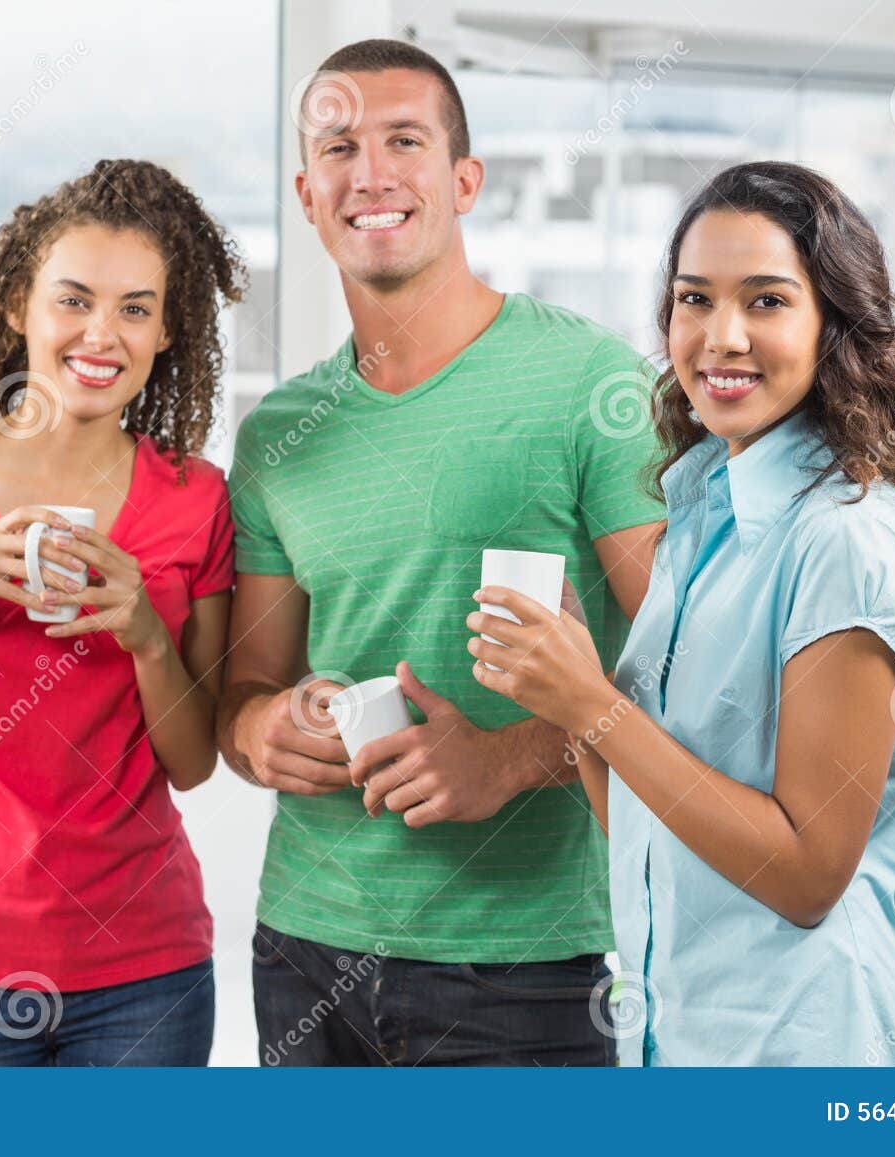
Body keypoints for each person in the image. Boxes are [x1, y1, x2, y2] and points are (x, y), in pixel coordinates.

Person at [218, 38, 665, 1066]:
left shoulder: (591, 385)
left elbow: (690, 679)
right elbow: (242, 687)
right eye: (339, 148)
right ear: (306, 192)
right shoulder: (280, 433)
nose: (369, 173)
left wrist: (507, 758)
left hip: (524, 963)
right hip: (303, 948)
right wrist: (261, 726)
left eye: (403, 141)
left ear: (464, 180)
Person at [467, 161, 895, 1066]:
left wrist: (595, 707)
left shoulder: (842, 541)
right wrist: (573, 698)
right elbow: (653, 838)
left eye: (766, 301)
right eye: (694, 299)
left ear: (834, 326)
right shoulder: (702, 509)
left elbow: (809, 872)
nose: (720, 335)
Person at [0, 159, 244, 1066]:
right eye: (76, 299)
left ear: (168, 331)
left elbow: (195, 762)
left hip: (148, 966)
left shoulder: (197, 499)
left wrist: (145, 633)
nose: (103, 334)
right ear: (19, 304)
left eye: (136, 308)